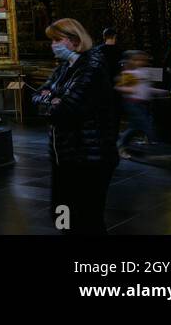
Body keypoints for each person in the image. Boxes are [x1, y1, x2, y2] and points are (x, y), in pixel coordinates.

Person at [32, 18, 118, 234]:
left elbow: (66, 109)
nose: (53, 45)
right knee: (61, 213)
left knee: (87, 220)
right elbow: (36, 97)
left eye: (57, 40)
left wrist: (53, 99)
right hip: (64, 156)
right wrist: (51, 100)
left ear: (74, 40)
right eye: (52, 41)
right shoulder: (64, 68)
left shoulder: (92, 67)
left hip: (89, 156)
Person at [116, 50, 157, 159]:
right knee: (143, 124)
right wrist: (131, 90)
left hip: (142, 103)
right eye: (138, 60)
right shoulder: (130, 73)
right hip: (132, 102)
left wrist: (159, 91)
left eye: (143, 59)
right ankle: (121, 145)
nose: (141, 62)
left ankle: (121, 145)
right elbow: (119, 87)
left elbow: (145, 87)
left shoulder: (144, 72)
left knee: (134, 127)